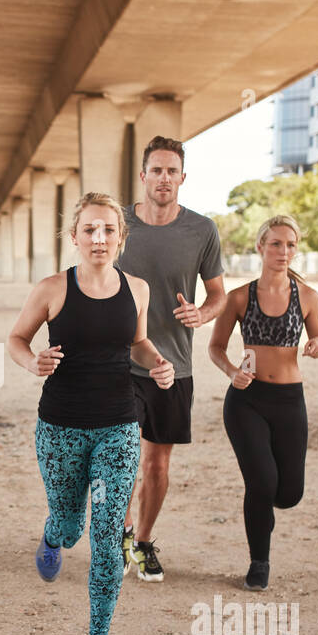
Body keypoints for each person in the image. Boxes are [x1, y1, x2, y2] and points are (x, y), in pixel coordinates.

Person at [7, 192, 175, 635]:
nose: (98, 239)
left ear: (120, 238)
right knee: (70, 525)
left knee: (106, 535)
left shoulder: (137, 289)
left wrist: (158, 362)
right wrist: (31, 361)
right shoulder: (52, 289)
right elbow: (17, 339)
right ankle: (53, 533)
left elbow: (138, 342)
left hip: (119, 426)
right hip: (60, 426)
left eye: (108, 230)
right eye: (89, 230)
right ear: (74, 236)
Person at [116, 136, 226, 582]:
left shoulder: (202, 230)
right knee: (119, 459)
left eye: (172, 171)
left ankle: (142, 542)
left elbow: (219, 294)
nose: (164, 178)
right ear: (143, 177)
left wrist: (202, 312)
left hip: (171, 366)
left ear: (182, 178)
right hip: (117, 365)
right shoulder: (116, 224)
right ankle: (117, 539)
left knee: (156, 463)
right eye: (156, 170)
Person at [207, 215, 318, 590]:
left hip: (290, 400)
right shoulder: (240, 297)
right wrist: (232, 372)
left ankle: (268, 503)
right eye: (275, 243)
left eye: (290, 244)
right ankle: (259, 562)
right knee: (261, 482)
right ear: (260, 247)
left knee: (288, 493)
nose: (283, 251)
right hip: (247, 400)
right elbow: (215, 347)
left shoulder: (307, 297)